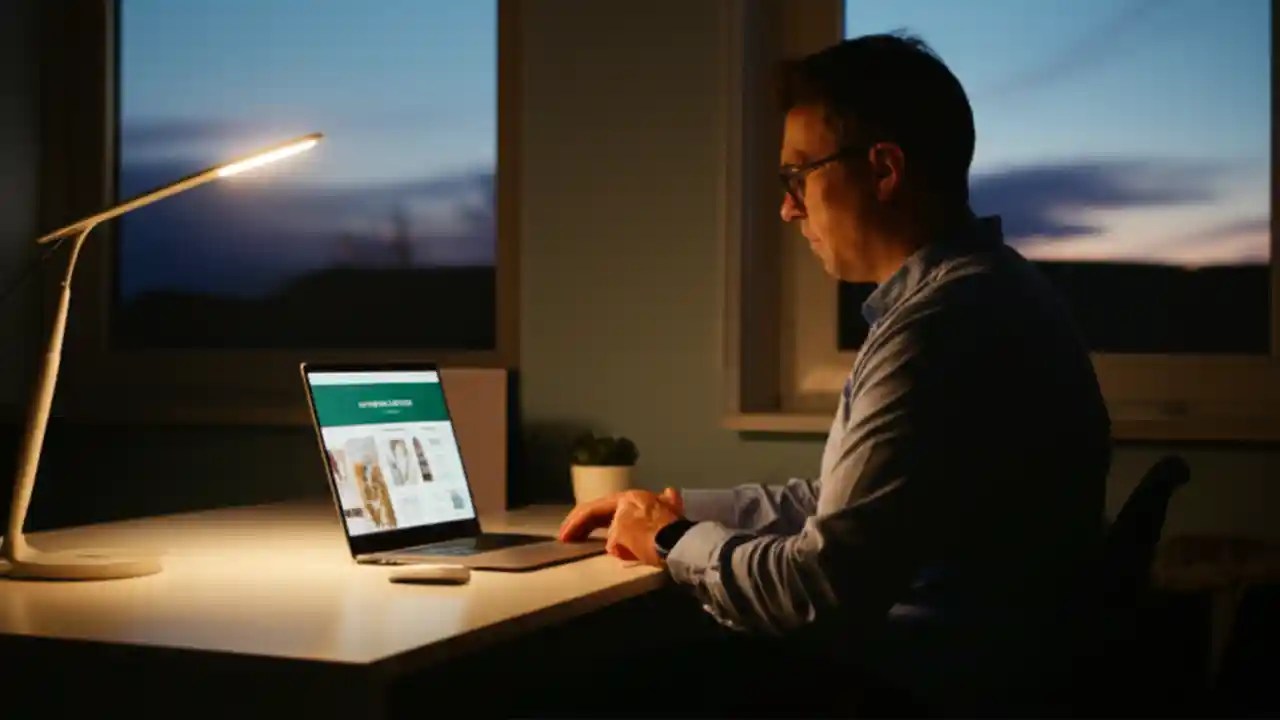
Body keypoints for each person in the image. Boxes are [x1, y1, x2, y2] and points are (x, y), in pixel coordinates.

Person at [559, 31, 1111, 715]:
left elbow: (815, 592)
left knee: (584, 689)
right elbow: (849, 512)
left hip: (919, 688)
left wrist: (669, 541)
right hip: (973, 670)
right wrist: (684, 510)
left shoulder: (936, 331)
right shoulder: (990, 291)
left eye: (798, 177)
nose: (789, 208)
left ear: (883, 170)